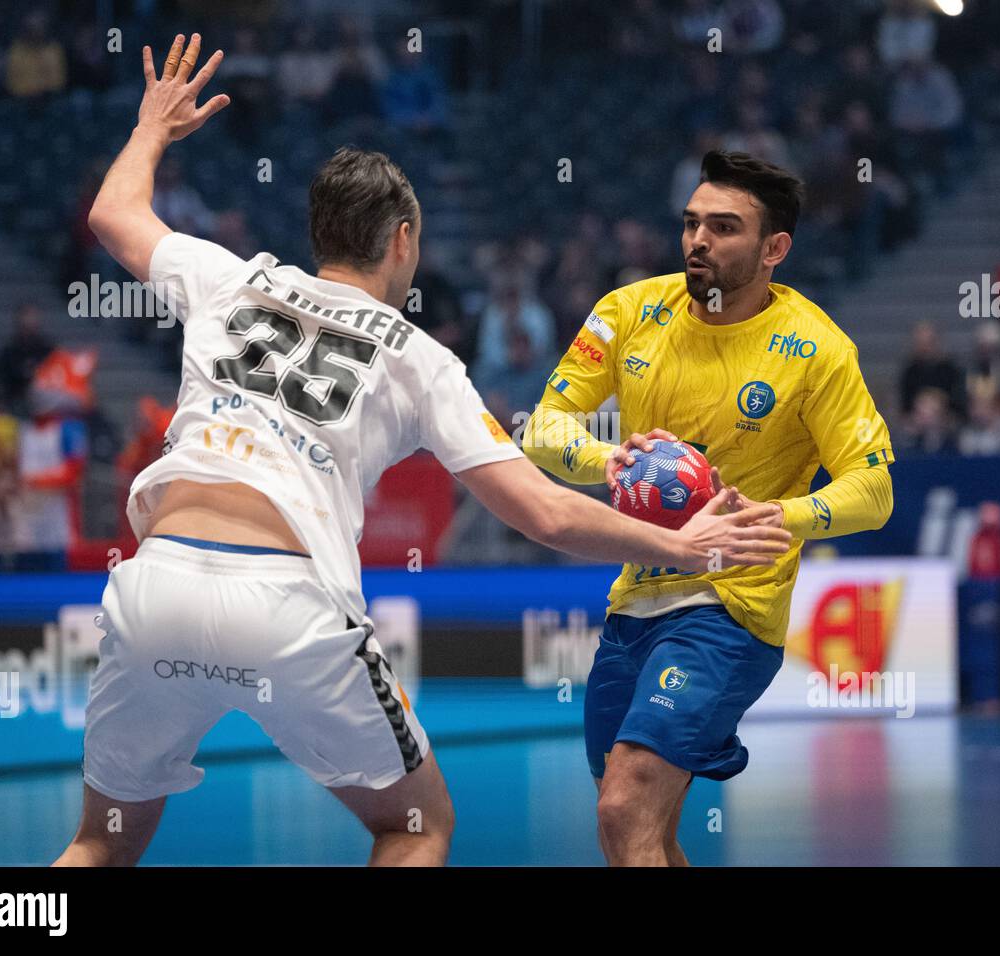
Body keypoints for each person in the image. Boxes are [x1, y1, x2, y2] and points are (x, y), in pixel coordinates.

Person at [54, 35, 790, 868]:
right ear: (402, 239)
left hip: (155, 583)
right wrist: (678, 545)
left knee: (99, 844)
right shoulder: (418, 355)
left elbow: (113, 215)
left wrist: (153, 126)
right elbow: (542, 511)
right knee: (415, 826)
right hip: (285, 601)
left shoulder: (231, 278)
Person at [523, 150, 895, 865]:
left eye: (724, 228)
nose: (698, 240)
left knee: (626, 800)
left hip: (730, 609)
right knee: (640, 830)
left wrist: (776, 518)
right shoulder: (627, 312)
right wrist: (612, 459)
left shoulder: (817, 350)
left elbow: (872, 490)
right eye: (692, 223)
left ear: (774, 249)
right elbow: (543, 428)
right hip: (637, 599)